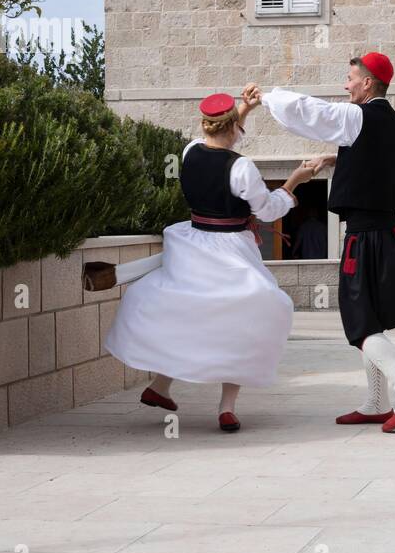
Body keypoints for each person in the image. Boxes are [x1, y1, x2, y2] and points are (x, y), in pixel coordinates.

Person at [91, 89, 321, 432]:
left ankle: (159, 387)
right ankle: (226, 407)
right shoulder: (242, 167)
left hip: (192, 244)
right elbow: (269, 210)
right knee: (243, 320)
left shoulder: (189, 152)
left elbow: (223, 142)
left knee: (192, 316)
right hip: (229, 249)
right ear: (232, 128)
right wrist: (295, 181)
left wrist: (244, 109)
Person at [260, 52, 395, 433]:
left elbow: (313, 112)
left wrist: (267, 98)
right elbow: (373, 160)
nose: (345, 84)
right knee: (371, 321)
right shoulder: (392, 122)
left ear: (368, 83)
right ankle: (376, 402)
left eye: (350, 77)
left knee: (359, 324)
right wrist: (335, 158)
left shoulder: (360, 117)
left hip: (365, 236)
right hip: (386, 232)